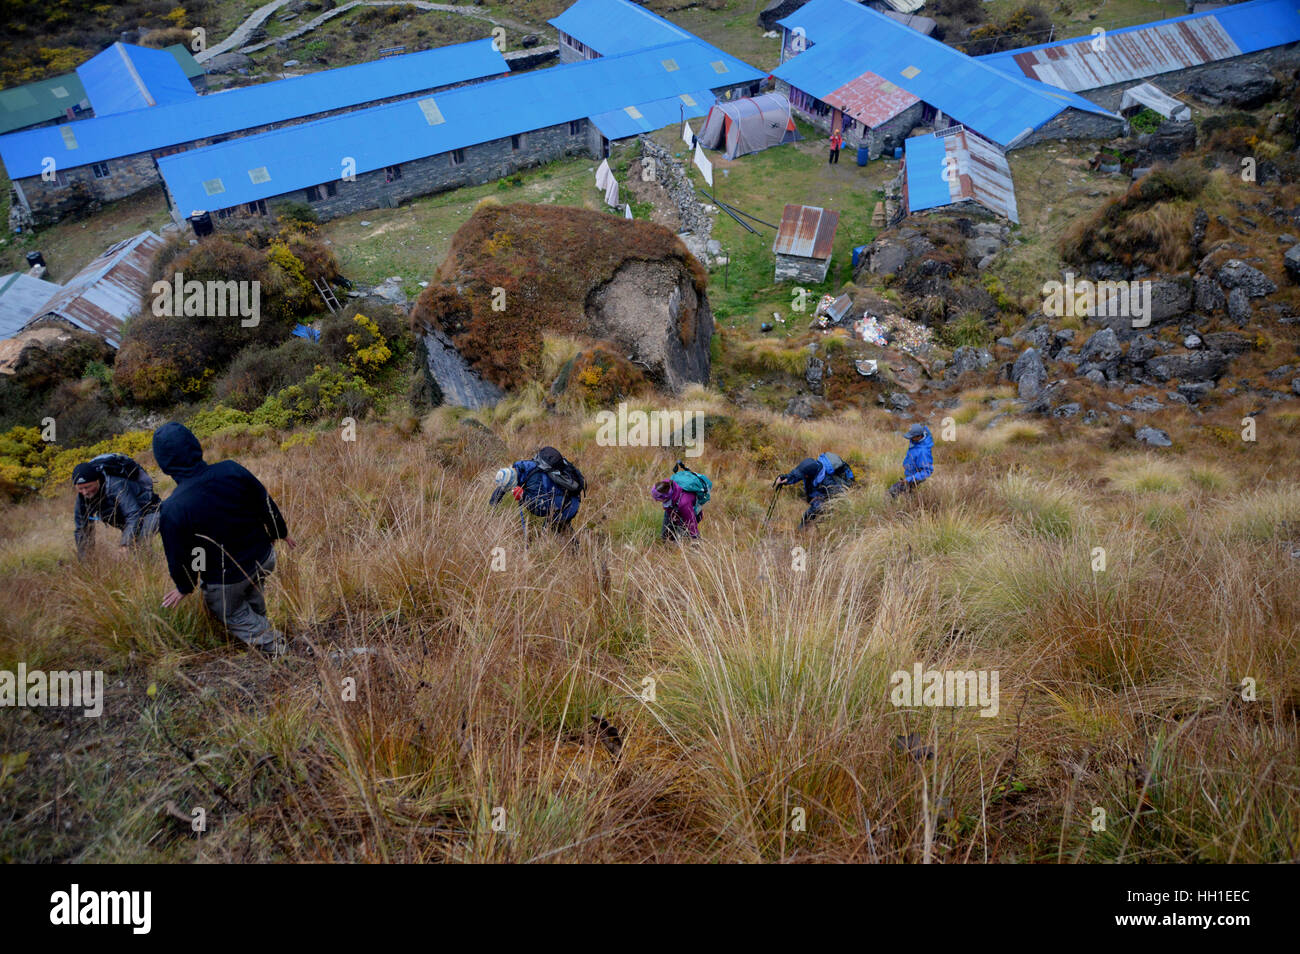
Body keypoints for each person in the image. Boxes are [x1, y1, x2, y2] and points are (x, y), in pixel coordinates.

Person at [152, 422, 296, 657]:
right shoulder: (231, 469)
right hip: (264, 557)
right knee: (252, 587)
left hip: (226, 578)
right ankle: (261, 624)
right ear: (195, 446)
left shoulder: (173, 508)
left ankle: (275, 645)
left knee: (228, 609)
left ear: (164, 465)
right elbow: (264, 503)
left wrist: (185, 586)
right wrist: (279, 532)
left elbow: (181, 555)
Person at [71, 455, 162, 560]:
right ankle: (151, 566)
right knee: (135, 551)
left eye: (88, 487)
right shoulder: (82, 498)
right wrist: (85, 560)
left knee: (137, 546)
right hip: (130, 522)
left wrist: (125, 543)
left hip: (151, 512)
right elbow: (82, 528)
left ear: (97, 480)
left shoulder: (116, 485)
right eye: (80, 488)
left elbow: (133, 514)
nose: (85, 492)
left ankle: (154, 569)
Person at [490, 446, 585, 535]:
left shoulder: (534, 482)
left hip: (566, 504)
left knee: (549, 533)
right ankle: (575, 548)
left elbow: (542, 509)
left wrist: (523, 496)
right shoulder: (518, 467)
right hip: (560, 501)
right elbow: (503, 485)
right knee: (562, 530)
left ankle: (575, 550)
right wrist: (492, 506)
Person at [775, 452, 855, 528]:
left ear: (810, 474)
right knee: (811, 508)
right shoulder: (811, 469)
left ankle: (807, 528)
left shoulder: (827, 482)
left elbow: (838, 497)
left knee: (812, 513)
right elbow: (796, 474)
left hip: (828, 497)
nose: (803, 476)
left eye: (804, 475)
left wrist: (814, 511)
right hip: (817, 492)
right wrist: (785, 478)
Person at [652, 461, 711, 542]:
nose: (656, 501)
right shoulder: (668, 485)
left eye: (658, 499)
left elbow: (691, 523)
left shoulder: (684, 503)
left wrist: (696, 540)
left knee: (682, 541)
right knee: (665, 537)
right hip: (673, 510)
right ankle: (668, 546)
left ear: (666, 496)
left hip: (687, 514)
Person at [889, 424, 934, 498]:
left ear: (919, 436)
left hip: (914, 478)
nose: (910, 439)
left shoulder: (923, 452)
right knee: (907, 494)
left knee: (893, 491)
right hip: (910, 476)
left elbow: (927, 471)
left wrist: (909, 479)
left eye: (912, 437)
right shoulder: (915, 442)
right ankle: (911, 501)